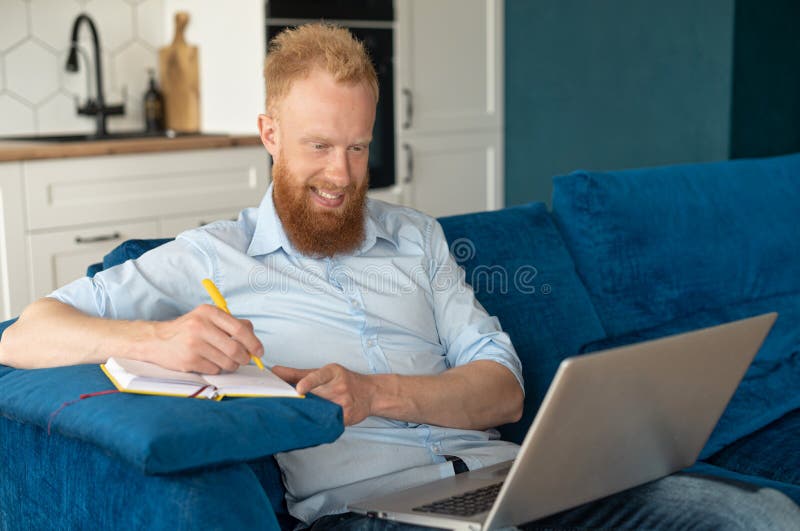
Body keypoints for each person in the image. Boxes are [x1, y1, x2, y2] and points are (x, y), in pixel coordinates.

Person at [1, 23, 797, 531]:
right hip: (369, 513)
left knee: (751, 514)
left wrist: (376, 391)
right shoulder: (210, 257)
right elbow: (26, 334)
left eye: (357, 146)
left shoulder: (418, 239)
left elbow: (503, 391)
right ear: (269, 134)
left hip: (510, 484)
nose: (341, 174)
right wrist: (159, 337)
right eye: (318, 146)